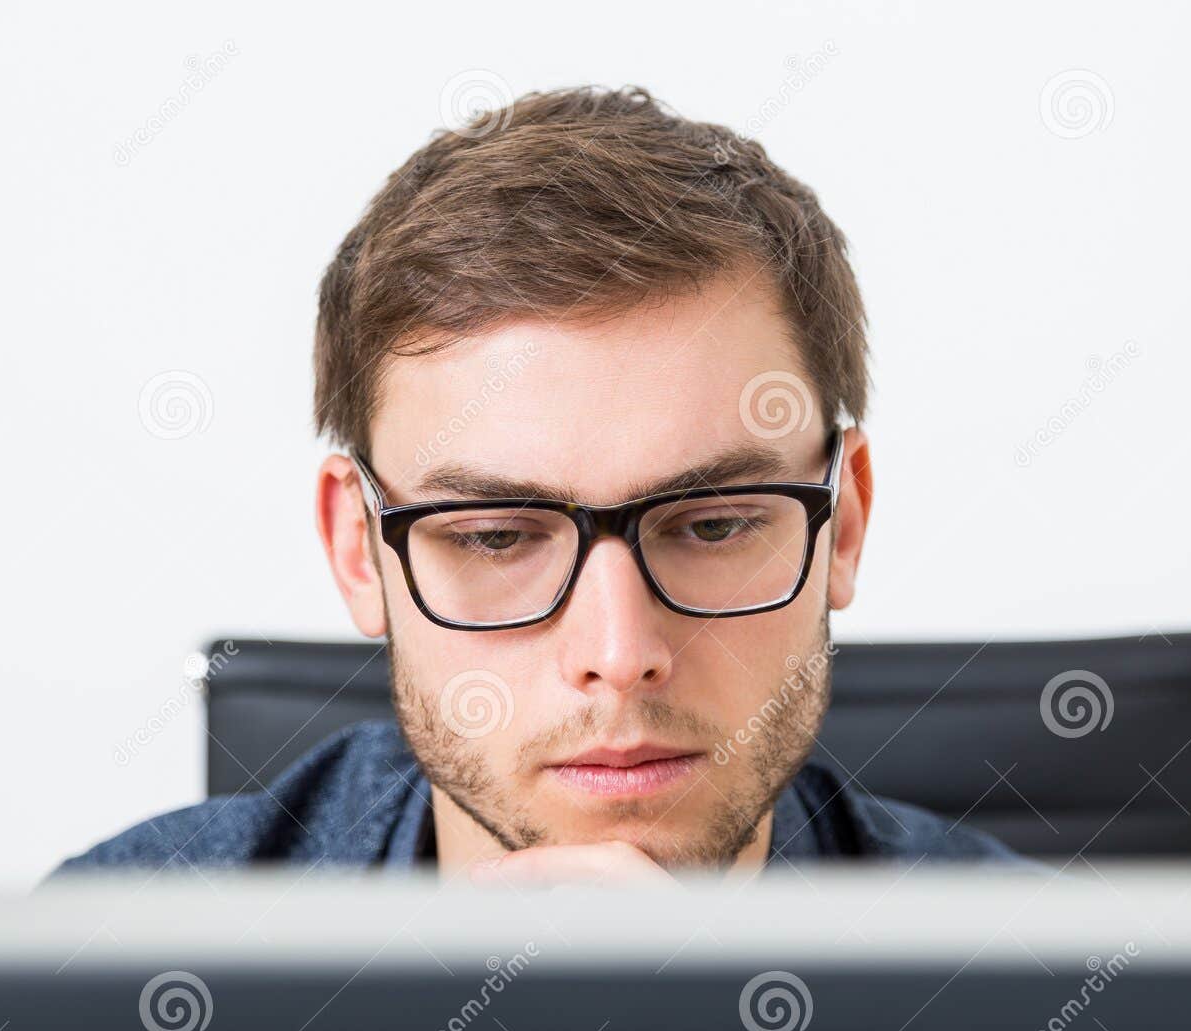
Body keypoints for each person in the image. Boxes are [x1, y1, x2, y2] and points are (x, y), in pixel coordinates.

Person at [53, 86, 1018, 886]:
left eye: (716, 525)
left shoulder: (1063, 1008)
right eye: (495, 537)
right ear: (358, 549)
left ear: (842, 524)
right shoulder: (106, 972)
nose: (620, 652)